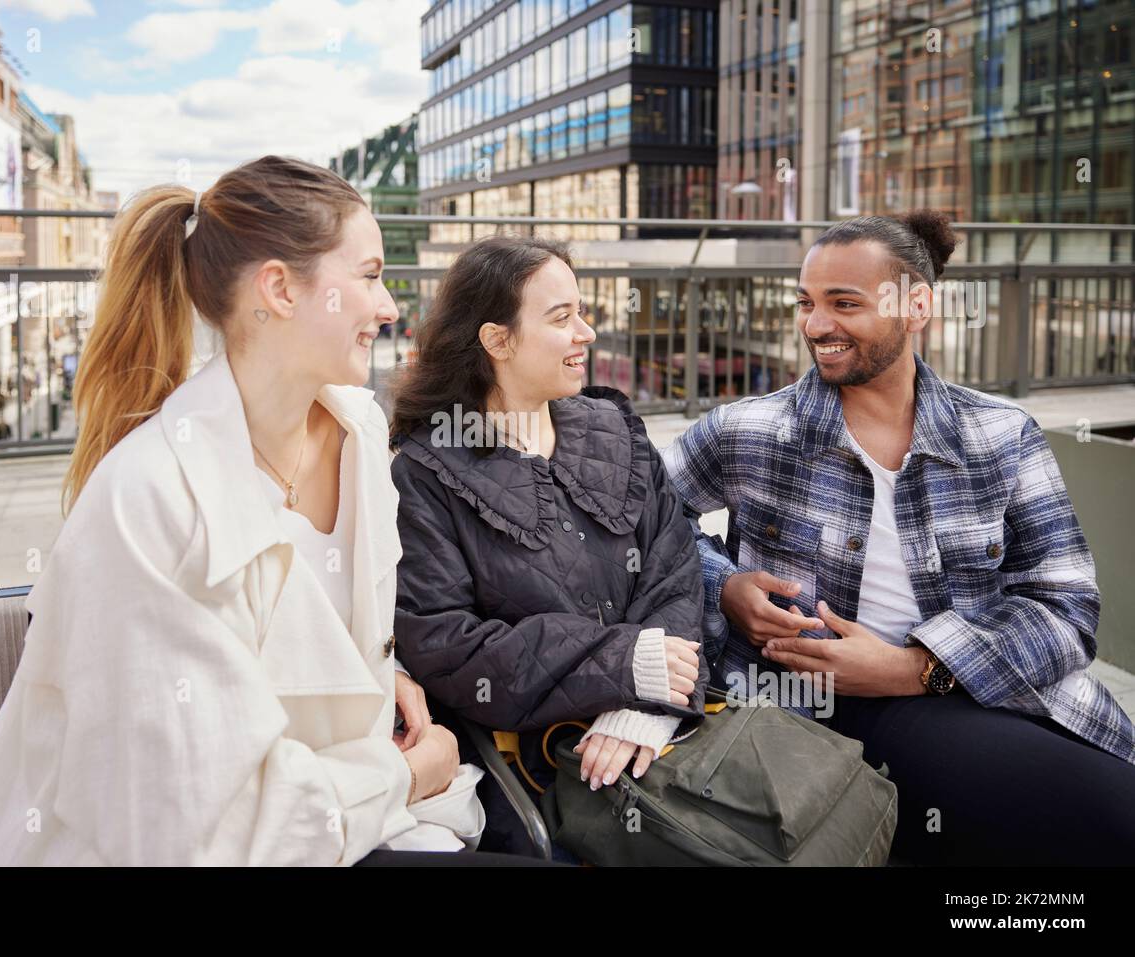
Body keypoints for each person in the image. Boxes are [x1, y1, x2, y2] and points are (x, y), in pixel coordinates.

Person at [0, 155, 489, 866]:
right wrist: (406, 773)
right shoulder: (148, 502)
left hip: (338, 827)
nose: (390, 306)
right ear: (278, 288)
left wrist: (369, 674)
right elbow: (203, 833)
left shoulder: (361, 434)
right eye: (368, 276)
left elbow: (299, 626)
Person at [663, 210, 1135, 865]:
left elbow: (1067, 608)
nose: (816, 325)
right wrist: (725, 586)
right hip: (790, 712)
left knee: (1112, 814)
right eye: (807, 303)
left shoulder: (1001, 436)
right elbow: (649, 521)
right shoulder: (747, 429)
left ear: (916, 306)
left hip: (958, 697)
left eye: (844, 303)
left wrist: (917, 668)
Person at [388, 235, 707, 854]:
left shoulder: (613, 429)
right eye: (561, 318)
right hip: (535, 766)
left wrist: (649, 704)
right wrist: (623, 665)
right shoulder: (427, 473)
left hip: (660, 729)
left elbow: (675, 571)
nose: (586, 332)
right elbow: (445, 647)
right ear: (497, 340)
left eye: (581, 312)